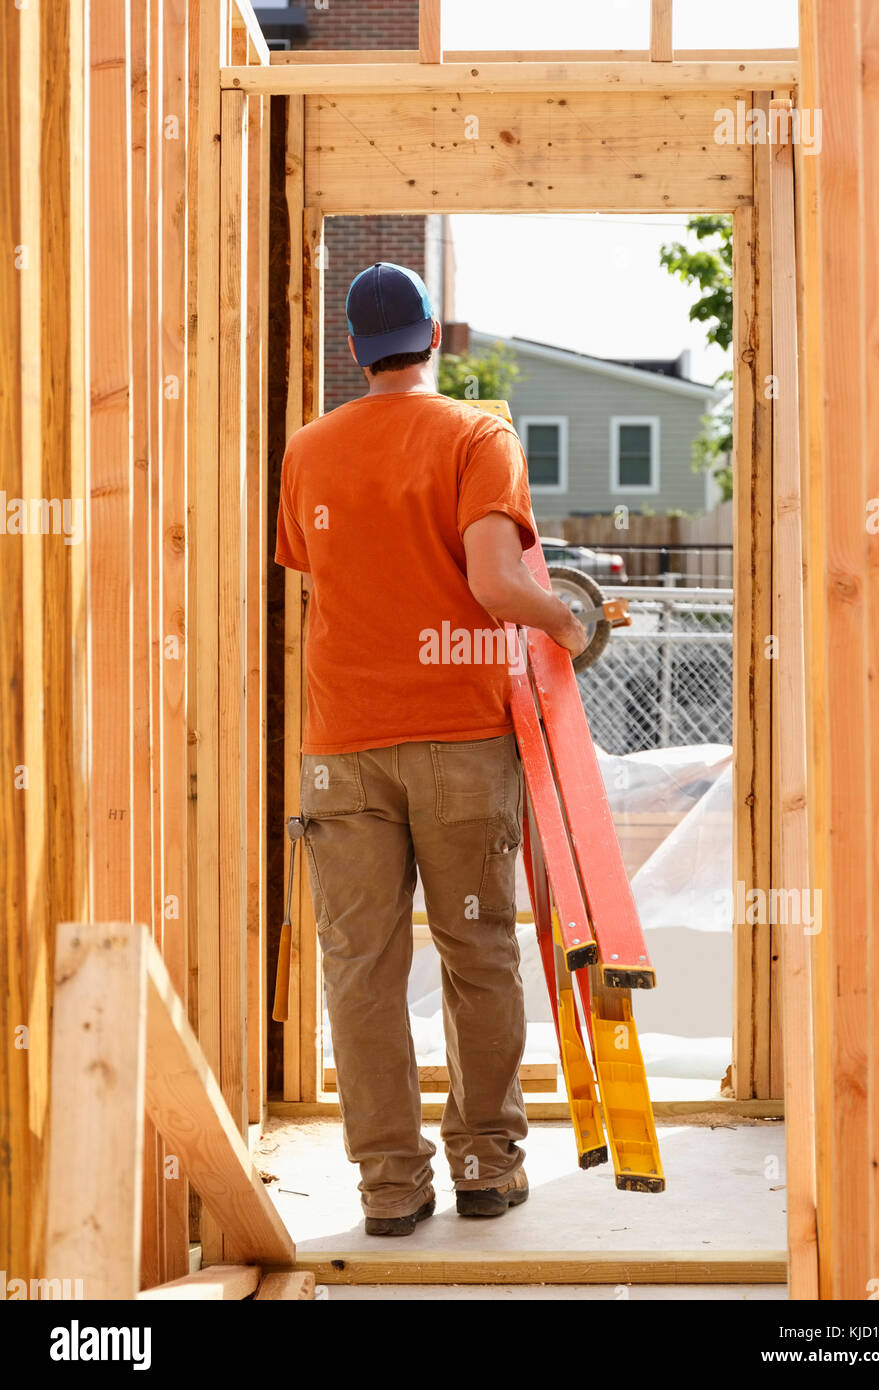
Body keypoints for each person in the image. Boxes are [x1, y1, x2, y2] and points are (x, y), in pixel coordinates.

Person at [274, 261, 588, 1237]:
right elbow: (497, 585)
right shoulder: (475, 434)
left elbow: (316, 567)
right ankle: (486, 1166)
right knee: (475, 951)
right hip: (457, 739)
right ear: (434, 339)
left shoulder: (308, 449)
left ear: (356, 351)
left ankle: (389, 1189)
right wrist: (567, 620)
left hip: (341, 747)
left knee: (359, 964)